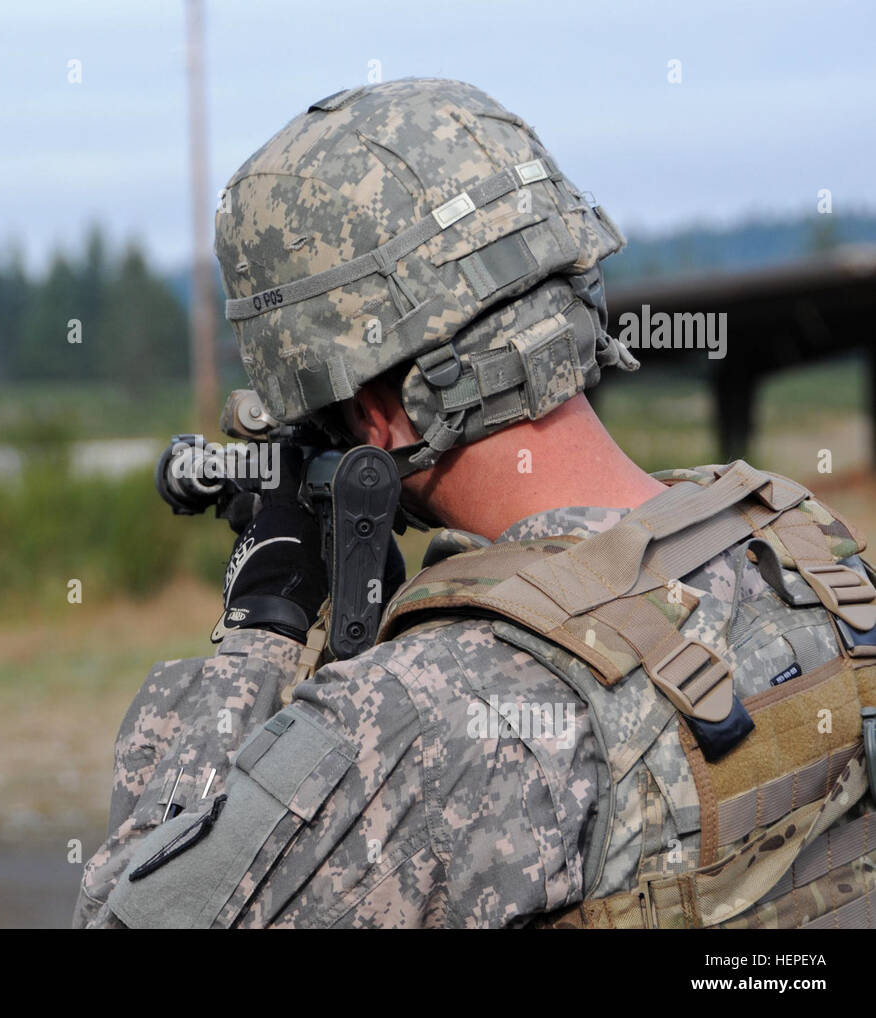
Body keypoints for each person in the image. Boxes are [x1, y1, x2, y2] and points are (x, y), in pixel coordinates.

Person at [74, 78, 876, 928]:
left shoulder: (429, 709)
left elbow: (130, 916)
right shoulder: (810, 556)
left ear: (374, 412)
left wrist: (259, 634)